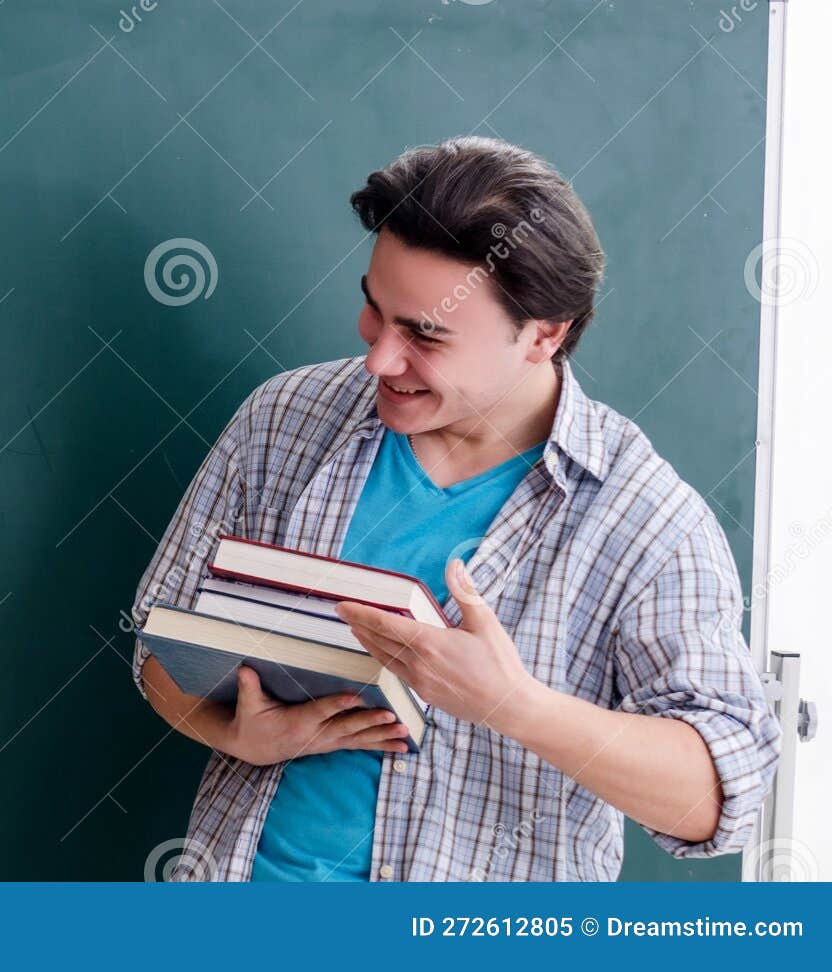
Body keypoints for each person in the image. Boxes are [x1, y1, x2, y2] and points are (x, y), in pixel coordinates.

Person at [130, 136, 779, 882]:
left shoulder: (647, 522)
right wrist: (237, 734)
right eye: (375, 311)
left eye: (425, 335)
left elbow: (719, 799)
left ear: (545, 334)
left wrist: (514, 704)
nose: (379, 358)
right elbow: (159, 648)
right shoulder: (284, 420)